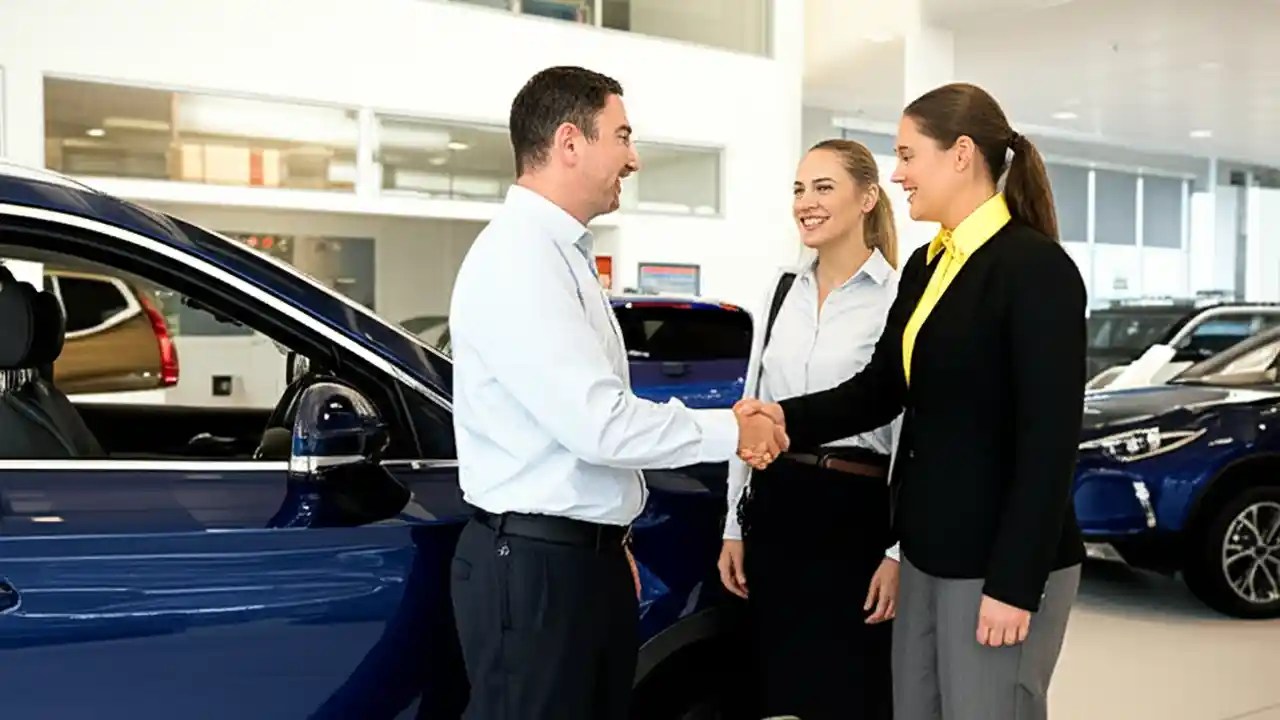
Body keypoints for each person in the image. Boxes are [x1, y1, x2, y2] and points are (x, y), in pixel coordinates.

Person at [737, 82, 1087, 720]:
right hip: (929, 550)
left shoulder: (1036, 270)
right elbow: (881, 390)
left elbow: (1050, 443)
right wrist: (784, 416)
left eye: (906, 156)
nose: (897, 175)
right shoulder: (929, 264)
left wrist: (1014, 584)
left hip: (995, 563)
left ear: (960, 155)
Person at [447, 65, 787, 720]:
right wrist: (734, 431)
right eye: (622, 136)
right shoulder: (520, 258)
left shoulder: (560, 253)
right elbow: (598, 423)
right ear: (571, 142)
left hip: (575, 559)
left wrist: (610, 541)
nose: (633, 158)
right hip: (539, 568)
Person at [718, 139, 902, 720]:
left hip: (855, 516)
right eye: (799, 189)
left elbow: (906, 435)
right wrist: (733, 523)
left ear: (868, 197)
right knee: (772, 692)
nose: (806, 202)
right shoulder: (781, 293)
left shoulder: (898, 298)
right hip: (777, 509)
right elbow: (754, 413)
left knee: (850, 692)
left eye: (824, 187)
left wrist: (898, 551)